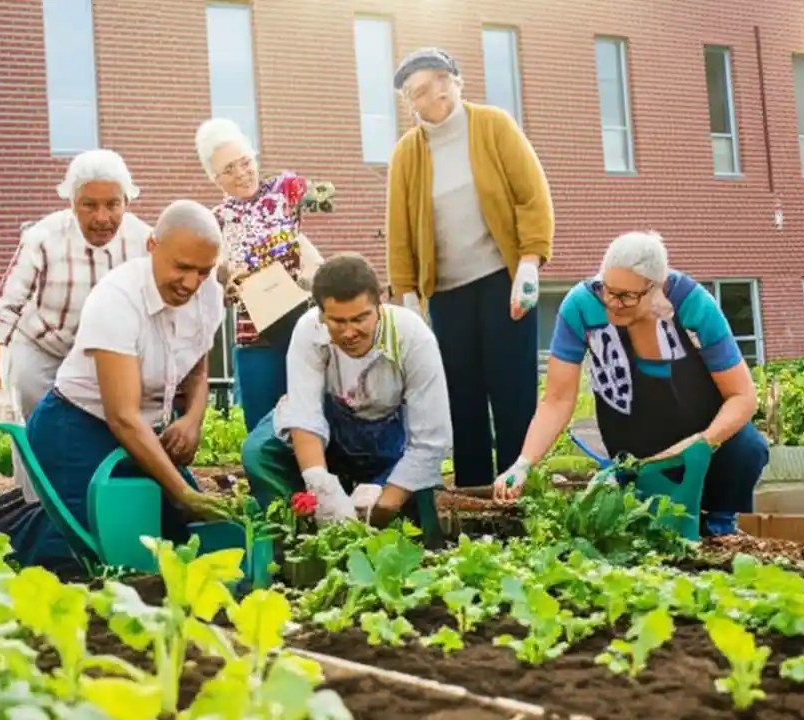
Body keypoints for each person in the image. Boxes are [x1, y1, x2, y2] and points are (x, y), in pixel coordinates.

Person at [0, 199, 226, 568]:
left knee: (189, 533)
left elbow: (197, 369)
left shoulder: (208, 294)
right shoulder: (116, 299)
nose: (191, 283)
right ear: (152, 245)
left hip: (142, 432)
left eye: (204, 271)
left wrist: (192, 420)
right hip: (75, 427)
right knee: (88, 549)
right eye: (182, 268)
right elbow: (122, 417)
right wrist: (180, 490)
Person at [493, 231, 768, 537]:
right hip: (635, 445)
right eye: (607, 289)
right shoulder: (582, 307)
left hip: (700, 440)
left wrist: (703, 443)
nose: (612, 302)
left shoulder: (692, 306)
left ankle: (720, 522)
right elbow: (557, 400)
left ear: (657, 287)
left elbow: (743, 396)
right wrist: (523, 463)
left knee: (748, 448)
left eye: (626, 296)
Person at [386, 47, 555, 488]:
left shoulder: (493, 125)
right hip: (446, 293)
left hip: (504, 281)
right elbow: (400, 229)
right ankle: (476, 496)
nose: (435, 92)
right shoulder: (407, 154)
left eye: (442, 79)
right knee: (461, 398)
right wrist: (408, 298)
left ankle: (521, 489)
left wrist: (530, 264)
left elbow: (531, 196)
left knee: (513, 391)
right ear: (411, 103)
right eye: (421, 89)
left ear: (456, 81)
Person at [0, 149, 151, 500]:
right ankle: (35, 503)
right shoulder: (43, 237)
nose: (102, 217)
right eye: (89, 205)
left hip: (101, 355)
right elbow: (3, 311)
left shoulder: (145, 242)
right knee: (34, 417)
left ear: (127, 201)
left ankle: (100, 498)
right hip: (43, 345)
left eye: (112, 205)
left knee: (106, 425)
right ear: (72, 202)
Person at [241, 254, 452, 527]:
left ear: (381, 302)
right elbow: (304, 416)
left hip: (390, 436)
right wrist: (321, 488)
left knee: (414, 507)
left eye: (361, 318)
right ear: (320, 313)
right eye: (338, 322)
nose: (350, 332)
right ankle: (299, 530)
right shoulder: (309, 331)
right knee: (259, 452)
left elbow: (430, 439)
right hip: (331, 429)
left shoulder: (413, 336)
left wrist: (388, 500)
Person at [195, 117, 325, 432]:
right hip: (255, 335)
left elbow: (312, 213)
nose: (241, 173)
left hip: (302, 325)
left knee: (312, 420)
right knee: (265, 428)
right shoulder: (216, 221)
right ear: (215, 179)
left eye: (244, 162)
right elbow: (215, 272)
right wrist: (225, 276)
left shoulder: (283, 194)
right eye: (228, 170)